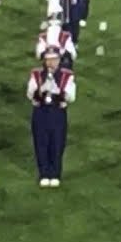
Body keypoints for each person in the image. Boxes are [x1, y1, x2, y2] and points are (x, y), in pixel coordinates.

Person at [27, 47, 76, 188]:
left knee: (57, 142)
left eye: (54, 59)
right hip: (40, 111)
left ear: (59, 60)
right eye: (48, 59)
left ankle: (55, 173)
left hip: (57, 111)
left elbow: (71, 96)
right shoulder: (36, 74)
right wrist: (42, 87)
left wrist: (57, 90)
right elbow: (30, 94)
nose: (51, 63)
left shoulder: (67, 75)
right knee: (41, 142)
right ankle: (44, 173)